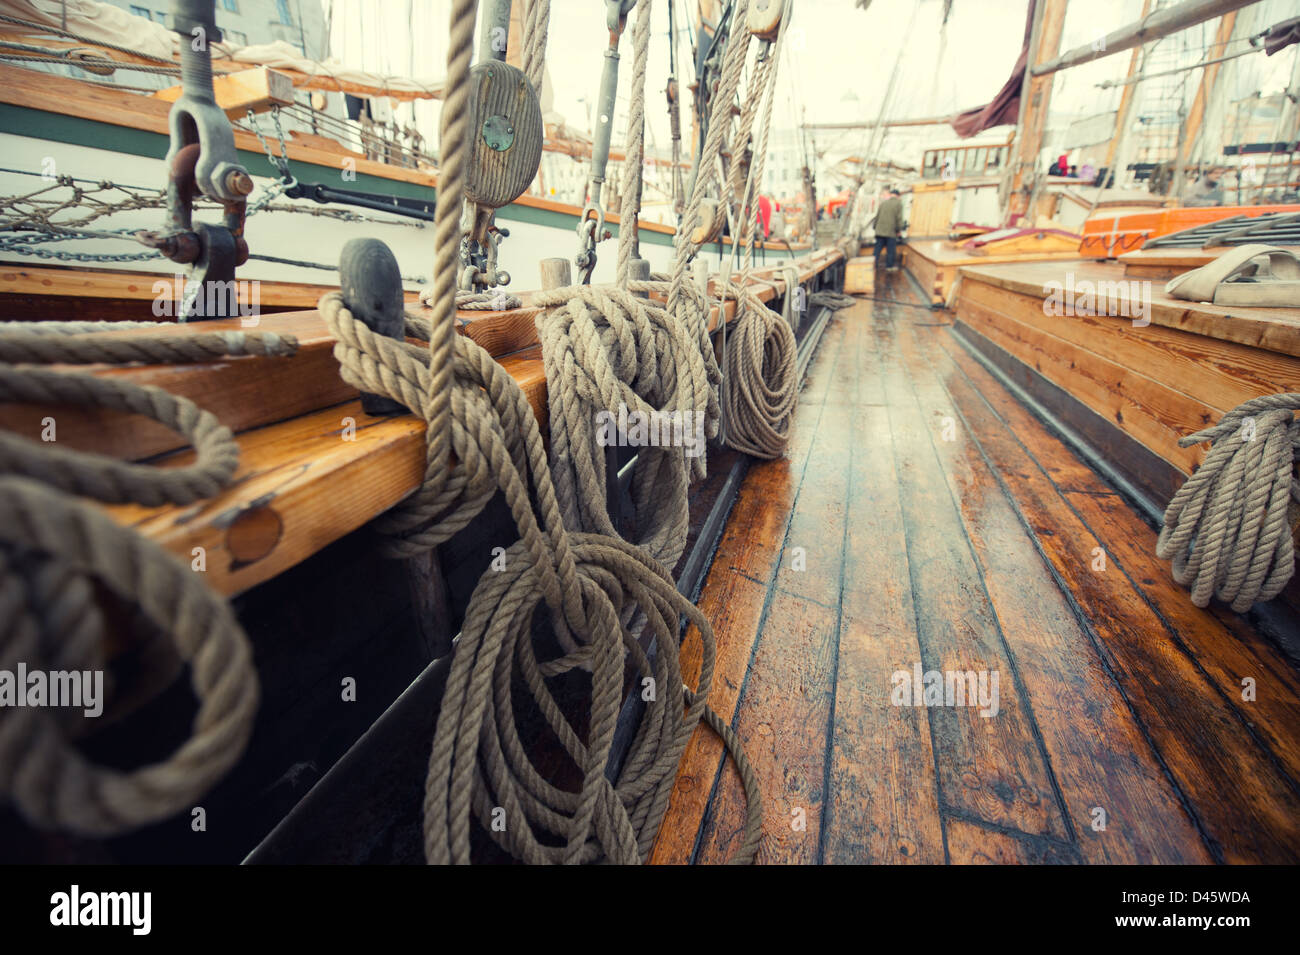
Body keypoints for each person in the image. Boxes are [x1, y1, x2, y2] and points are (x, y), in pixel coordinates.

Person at [871, 187, 904, 271]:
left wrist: (875, 228)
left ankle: (873, 266)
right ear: (898, 196)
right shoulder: (898, 204)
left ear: (891, 195)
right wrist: (898, 230)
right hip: (890, 232)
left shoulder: (883, 203)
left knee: (877, 250)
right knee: (890, 251)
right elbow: (899, 219)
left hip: (879, 231)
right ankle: (889, 267)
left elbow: (877, 217)